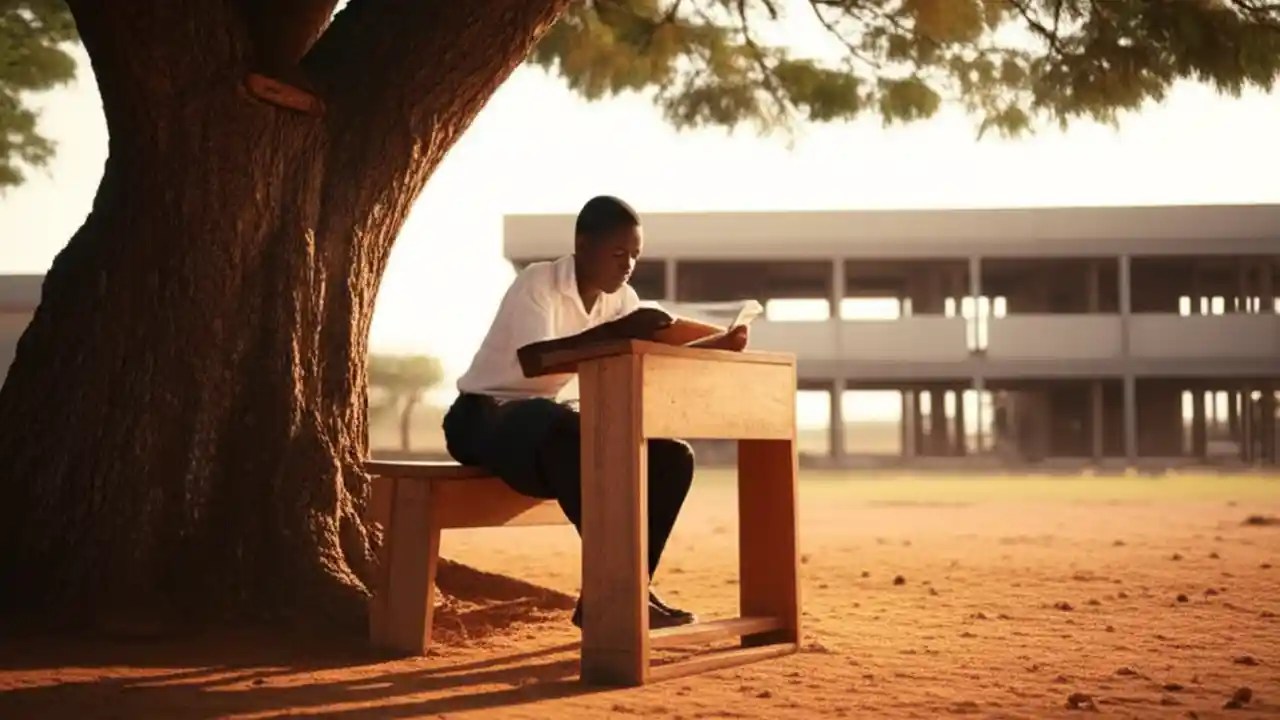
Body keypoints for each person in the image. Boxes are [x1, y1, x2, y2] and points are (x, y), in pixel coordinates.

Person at [443, 195, 748, 629]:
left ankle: (619, 590)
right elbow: (535, 360)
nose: (628, 265)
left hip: (546, 428)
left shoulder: (621, 300)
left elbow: (660, 327)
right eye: (619, 253)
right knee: (562, 428)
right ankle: (621, 591)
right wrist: (621, 330)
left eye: (636, 256)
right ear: (583, 247)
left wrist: (722, 339)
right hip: (482, 419)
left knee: (671, 457)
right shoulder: (539, 282)